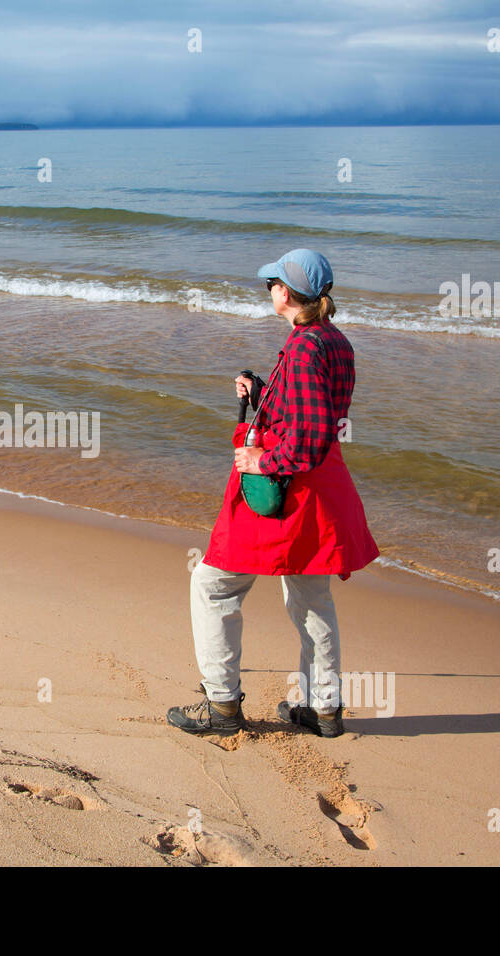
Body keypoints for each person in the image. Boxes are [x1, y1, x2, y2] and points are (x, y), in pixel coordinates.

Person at [167, 249, 379, 739]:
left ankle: (222, 706)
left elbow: (312, 431)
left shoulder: (304, 347)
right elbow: (312, 410)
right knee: (311, 598)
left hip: (288, 494)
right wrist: (262, 393)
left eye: (272, 284)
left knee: (213, 584)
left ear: (286, 293)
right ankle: (323, 709)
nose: (269, 291)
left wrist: (264, 461)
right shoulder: (331, 340)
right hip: (322, 489)